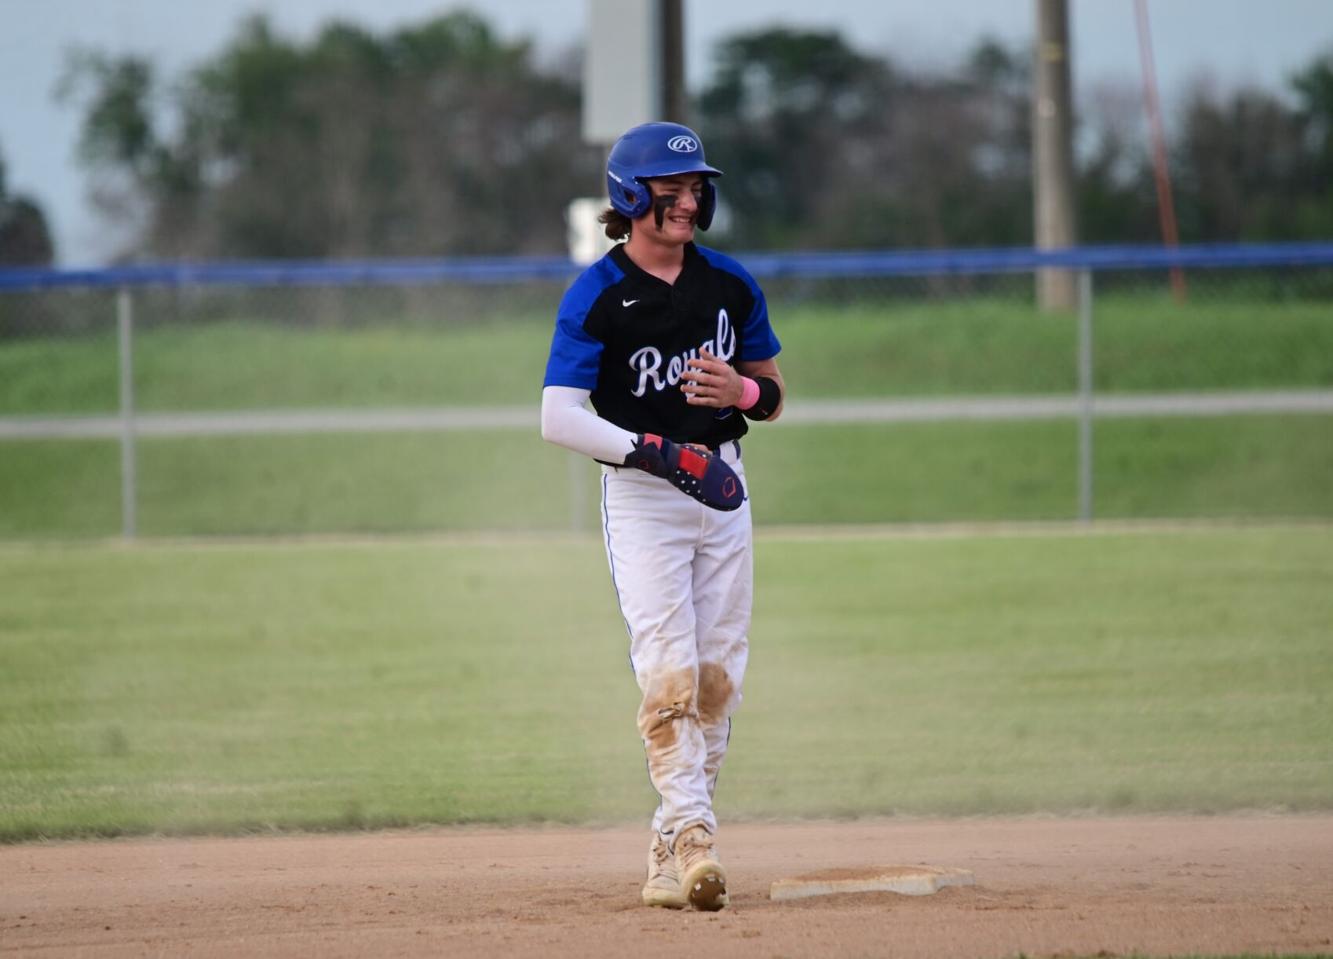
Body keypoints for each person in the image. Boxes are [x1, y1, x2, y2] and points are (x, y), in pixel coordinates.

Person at [540, 121, 785, 912]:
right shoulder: (598, 294)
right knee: (667, 669)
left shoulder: (728, 283)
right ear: (628, 196)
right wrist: (657, 453)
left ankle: (670, 842)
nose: (687, 200)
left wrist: (740, 395)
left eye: (694, 187)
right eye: (670, 188)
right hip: (647, 496)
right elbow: (559, 417)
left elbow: (771, 393)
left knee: (718, 675)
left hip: (722, 486)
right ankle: (693, 839)